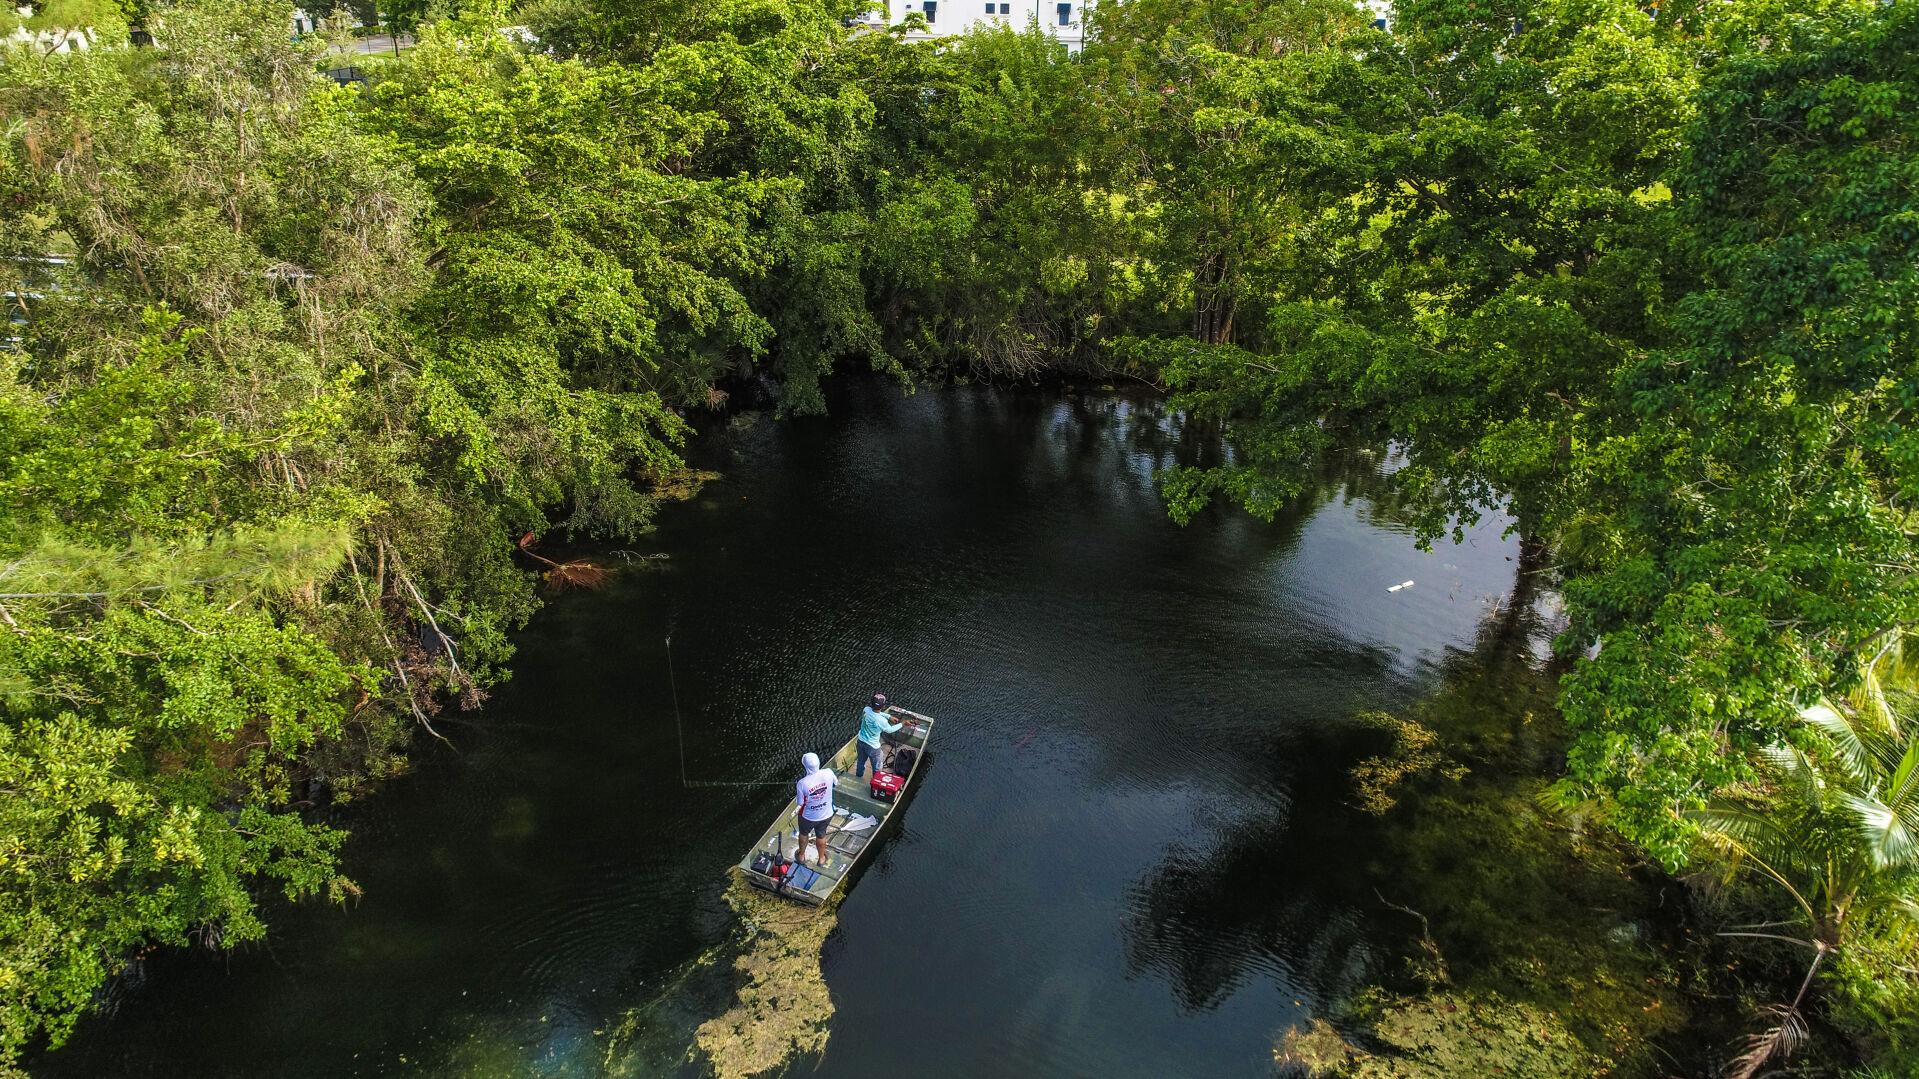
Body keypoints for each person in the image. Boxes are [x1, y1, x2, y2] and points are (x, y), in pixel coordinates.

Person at [794, 751, 836, 869]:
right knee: (821, 835)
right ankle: (821, 859)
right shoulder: (828, 772)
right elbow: (835, 783)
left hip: (808, 816)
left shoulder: (802, 783)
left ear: (805, 766)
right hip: (826, 813)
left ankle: (801, 856)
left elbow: (800, 803)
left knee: (803, 834)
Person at [855, 692, 912, 779]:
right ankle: (876, 782)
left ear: (872, 703)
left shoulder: (866, 709)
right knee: (877, 767)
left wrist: (889, 716)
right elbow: (890, 730)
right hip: (873, 747)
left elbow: (875, 712)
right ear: (883, 706)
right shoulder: (881, 721)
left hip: (860, 742)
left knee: (860, 762)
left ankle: (858, 777)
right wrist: (903, 723)